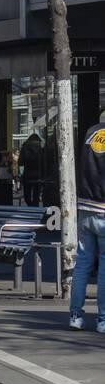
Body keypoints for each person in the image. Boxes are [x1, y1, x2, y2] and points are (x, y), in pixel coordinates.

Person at [69, 114, 105, 331]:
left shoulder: (90, 133)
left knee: (82, 264)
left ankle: (75, 315)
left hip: (85, 206)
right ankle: (102, 319)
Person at [19, 132, 47, 207]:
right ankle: (35, 208)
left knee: (27, 195)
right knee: (36, 195)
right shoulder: (41, 149)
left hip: (27, 174)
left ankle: (30, 206)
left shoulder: (24, 148)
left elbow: (20, 162)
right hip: (39, 175)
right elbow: (44, 162)